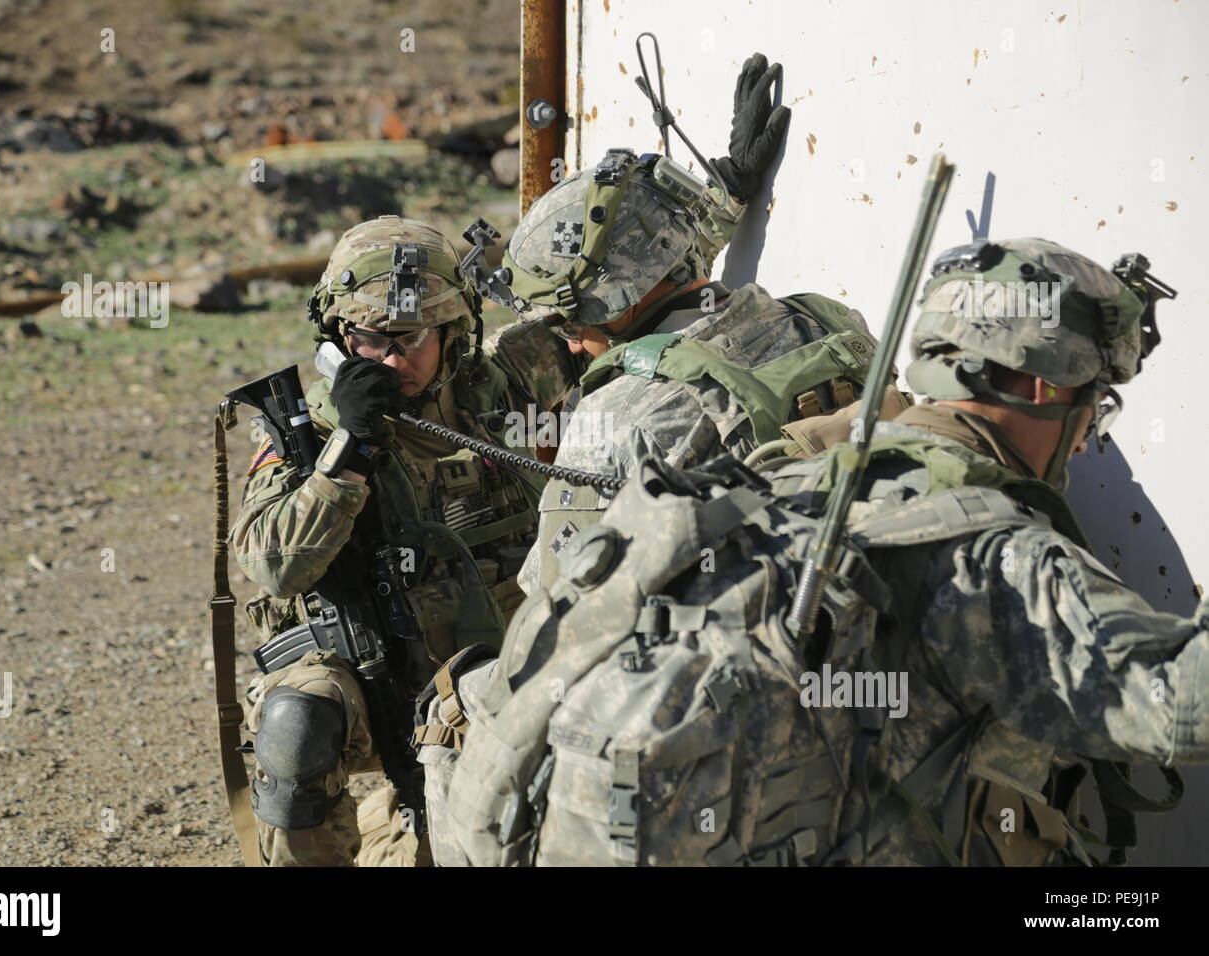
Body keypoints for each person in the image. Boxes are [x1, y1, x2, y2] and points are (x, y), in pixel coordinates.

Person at [429, 237, 1203, 867]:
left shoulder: (777, 477)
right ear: (1044, 393)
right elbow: (1183, 709)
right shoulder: (993, 557)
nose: (1091, 430)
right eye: (1096, 405)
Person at [228, 215, 572, 866]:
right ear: (336, 338)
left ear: (453, 329)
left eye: (409, 338)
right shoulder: (312, 433)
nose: (388, 359)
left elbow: (619, 309)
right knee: (295, 725)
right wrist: (349, 454)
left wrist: (723, 200)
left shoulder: (506, 382)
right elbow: (271, 564)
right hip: (378, 679)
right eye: (366, 338)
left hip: (509, 659)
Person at [504, 54, 909, 595]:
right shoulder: (823, 321)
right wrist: (727, 189)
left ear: (617, 299)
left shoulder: (621, 416)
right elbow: (662, 271)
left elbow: (553, 612)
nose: (571, 341)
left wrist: (459, 683)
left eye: (565, 319)